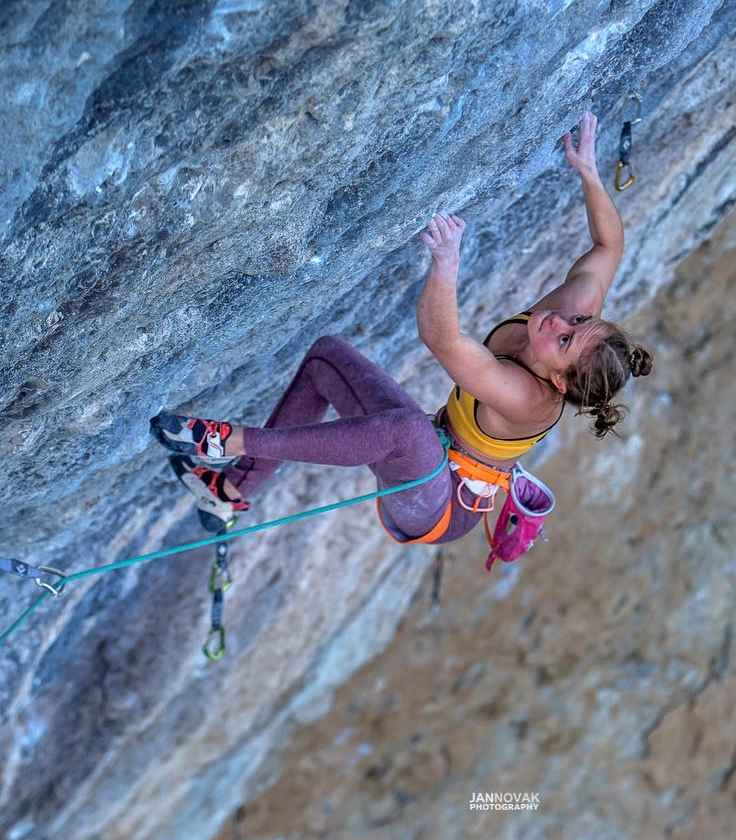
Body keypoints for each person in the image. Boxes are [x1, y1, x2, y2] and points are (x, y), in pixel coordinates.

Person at [150, 110, 653, 543]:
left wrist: (446, 265)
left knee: (409, 431)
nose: (560, 319)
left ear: (559, 381)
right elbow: (608, 248)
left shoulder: (528, 398)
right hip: (425, 457)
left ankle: (231, 441)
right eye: (579, 319)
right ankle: (229, 492)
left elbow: (440, 338)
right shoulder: (570, 325)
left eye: (563, 338)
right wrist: (589, 174)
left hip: (439, 508)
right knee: (327, 358)